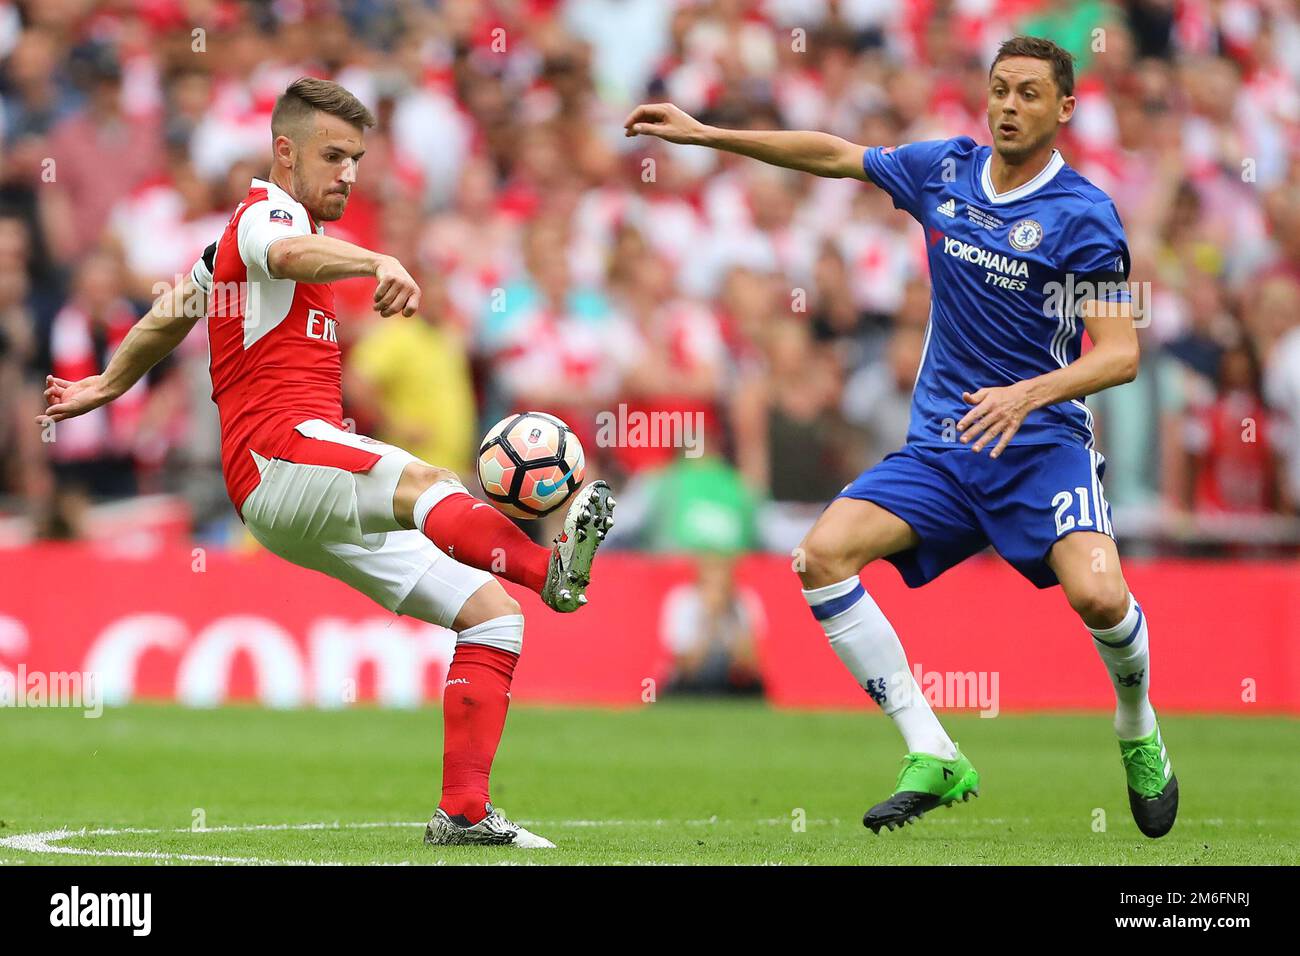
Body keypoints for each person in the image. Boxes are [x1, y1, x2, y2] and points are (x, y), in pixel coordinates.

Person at [40, 78, 616, 850]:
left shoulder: (231, 244)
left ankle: (464, 814)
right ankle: (548, 570)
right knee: (426, 483)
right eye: (333, 156)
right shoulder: (268, 217)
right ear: (284, 152)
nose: (349, 173)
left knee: (491, 617)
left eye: (358, 159)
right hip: (279, 454)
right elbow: (285, 248)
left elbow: (172, 310)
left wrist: (108, 383)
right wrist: (376, 257)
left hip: (294, 497)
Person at [625, 35, 1178, 838]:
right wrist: (709, 135)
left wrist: (1028, 393)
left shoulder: (1085, 216)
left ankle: (1137, 725)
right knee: (820, 557)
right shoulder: (942, 170)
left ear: (1064, 108)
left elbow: (1122, 352)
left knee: (1099, 597)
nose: (1008, 107)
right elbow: (835, 154)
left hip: (1042, 444)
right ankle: (933, 748)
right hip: (947, 447)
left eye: (1028, 94)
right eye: (998, 90)